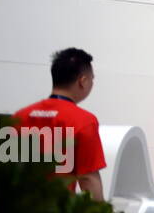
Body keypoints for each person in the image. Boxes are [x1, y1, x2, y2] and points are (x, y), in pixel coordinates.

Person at [13, 48, 105, 201]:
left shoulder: (20, 116)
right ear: (83, 81)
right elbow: (88, 179)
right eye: (92, 79)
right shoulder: (83, 121)